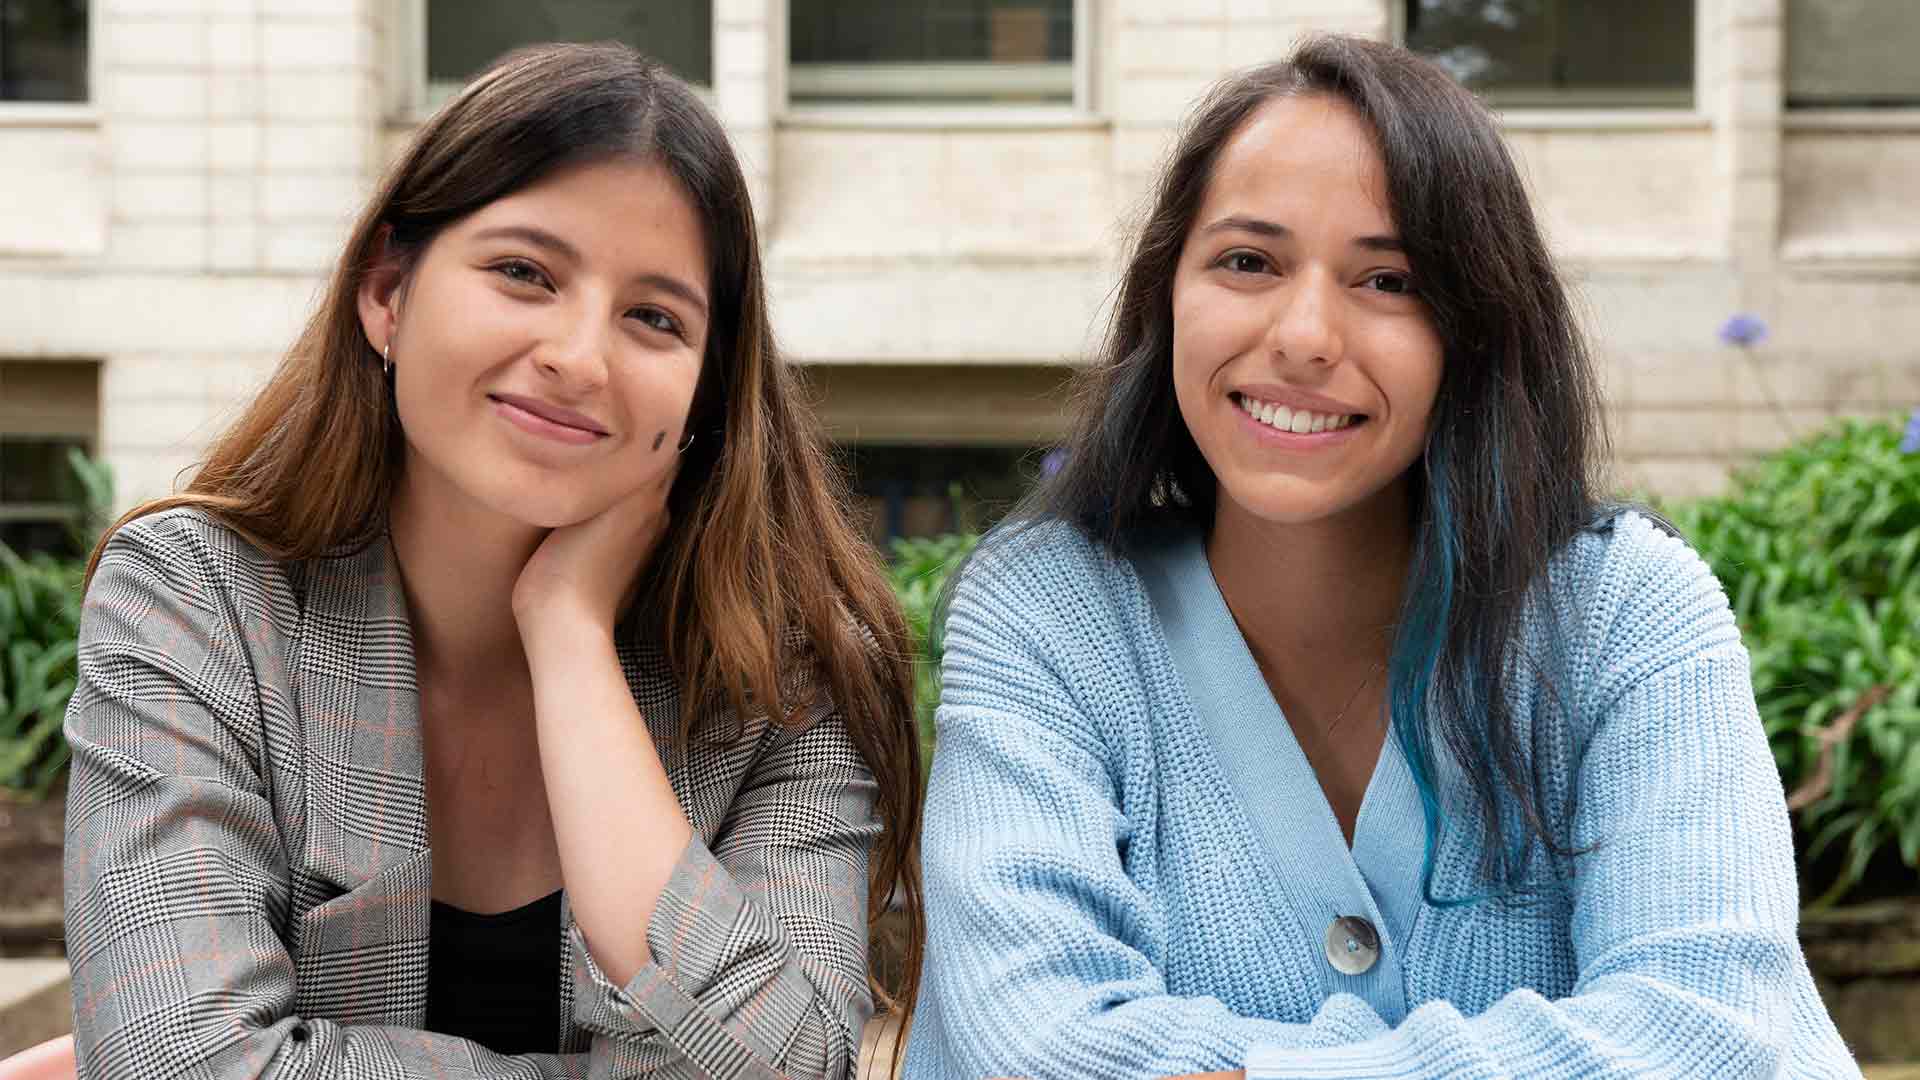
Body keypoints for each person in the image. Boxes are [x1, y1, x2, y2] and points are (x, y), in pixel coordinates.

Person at [904, 35, 1858, 1080]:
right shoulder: (1048, 608)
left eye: (1389, 278)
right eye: (1247, 261)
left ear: (1477, 330)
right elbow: (1033, 1044)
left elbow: (1707, 1033)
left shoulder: (1627, 610)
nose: (1306, 334)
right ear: (1166, 293)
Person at [63, 43, 921, 1080]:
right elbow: (180, 1066)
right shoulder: (197, 598)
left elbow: (792, 1065)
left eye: (655, 318)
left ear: (704, 389)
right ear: (387, 292)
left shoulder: (789, 673)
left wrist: (568, 631)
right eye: (525, 272)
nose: (581, 356)